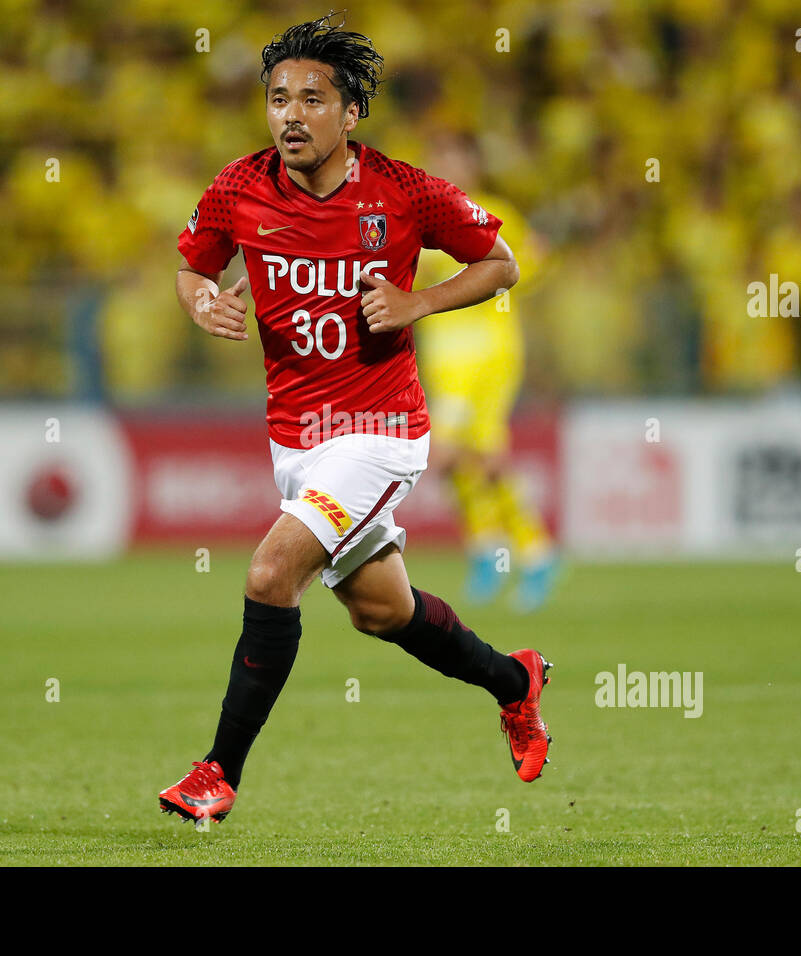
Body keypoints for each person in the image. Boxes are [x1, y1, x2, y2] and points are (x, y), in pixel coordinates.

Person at [159, 14, 552, 823]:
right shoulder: (238, 188)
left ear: (350, 113)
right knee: (383, 611)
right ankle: (515, 681)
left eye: (312, 99)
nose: (291, 115)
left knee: (271, 575)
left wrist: (418, 302)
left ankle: (216, 774)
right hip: (295, 439)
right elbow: (192, 268)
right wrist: (202, 304)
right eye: (278, 99)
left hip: (379, 430)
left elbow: (500, 263)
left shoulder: (403, 193)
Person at [414, 130, 559, 611]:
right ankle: (505, 552)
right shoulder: (418, 221)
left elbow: (527, 268)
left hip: (488, 354)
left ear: (473, 165)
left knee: (452, 456)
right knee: (471, 459)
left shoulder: (495, 213)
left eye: (454, 158)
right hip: (443, 356)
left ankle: (525, 552)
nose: (446, 168)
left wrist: (530, 258)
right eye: (438, 158)